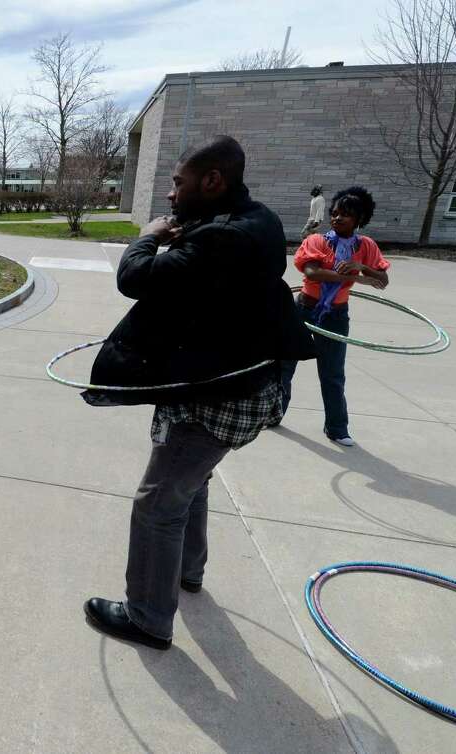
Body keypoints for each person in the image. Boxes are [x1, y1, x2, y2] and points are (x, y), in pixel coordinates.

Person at [82, 135, 315, 650]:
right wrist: (185, 232)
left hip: (219, 396)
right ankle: (187, 571)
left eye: (177, 182)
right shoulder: (261, 220)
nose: (170, 193)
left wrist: (148, 236)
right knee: (194, 481)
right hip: (240, 382)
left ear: (213, 181)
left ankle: (147, 616)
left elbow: (135, 276)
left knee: (158, 502)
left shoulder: (222, 238)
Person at [280, 186, 389, 447]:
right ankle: (274, 413)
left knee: (332, 373)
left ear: (359, 219)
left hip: (336, 316)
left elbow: (383, 280)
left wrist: (362, 267)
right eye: (336, 213)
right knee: (284, 366)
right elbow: (312, 272)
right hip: (304, 309)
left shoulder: (366, 247)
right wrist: (354, 278)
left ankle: (337, 428)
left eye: (346, 215)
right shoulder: (316, 241)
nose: (338, 218)